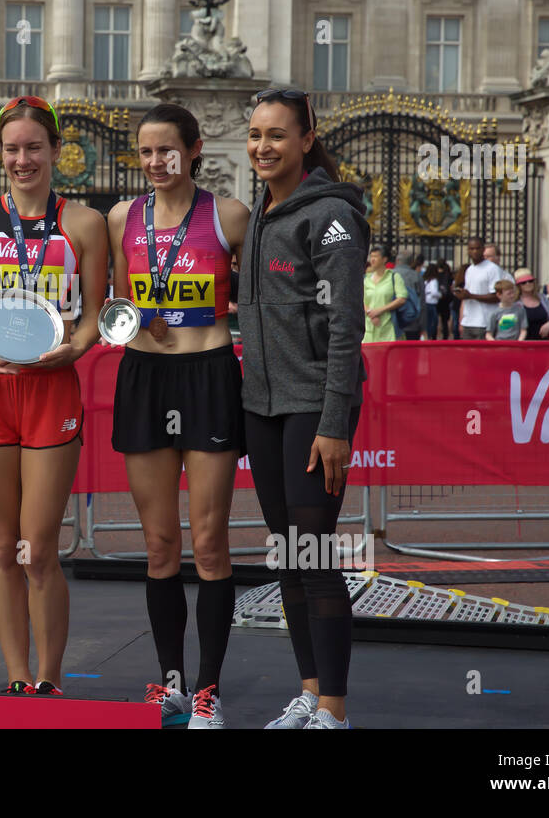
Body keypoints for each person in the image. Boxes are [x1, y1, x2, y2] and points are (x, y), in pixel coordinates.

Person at [0, 96, 108, 697]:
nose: (22, 159)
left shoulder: (84, 223)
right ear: (1, 152)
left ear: (55, 151)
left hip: (52, 389)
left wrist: (78, 348)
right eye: (12, 149)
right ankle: (15, 677)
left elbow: (93, 316)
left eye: (33, 148)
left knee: (37, 547)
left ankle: (50, 678)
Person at [107, 102, 250, 729]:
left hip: (208, 373)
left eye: (168, 150)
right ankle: (171, 684)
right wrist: (134, 317)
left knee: (210, 542)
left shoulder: (229, 215)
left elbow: (266, 294)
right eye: (146, 152)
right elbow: (116, 299)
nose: (156, 162)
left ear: (194, 150)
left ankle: (209, 690)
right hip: (144, 374)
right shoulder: (122, 217)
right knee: (160, 543)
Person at [239, 87, 369, 730]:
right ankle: (310, 693)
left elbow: (347, 327)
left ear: (306, 139)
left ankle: (336, 712)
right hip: (261, 407)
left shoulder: (333, 217)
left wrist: (334, 423)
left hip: (312, 407)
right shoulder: (262, 212)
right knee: (287, 554)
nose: (264, 147)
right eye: (256, 135)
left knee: (314, 557)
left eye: (277, 135)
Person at [454, 236, 503, 340]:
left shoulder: (492, 269)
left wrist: (471, 296)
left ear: (483, 250)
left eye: (478, 248)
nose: (475, 251)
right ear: (468, 250)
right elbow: (467, 295)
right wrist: (460, 294)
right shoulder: (469, 270)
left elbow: (497, 296)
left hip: (484, 322)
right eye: (472, 249)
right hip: (468, 321)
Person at [363, 246, 406, 342]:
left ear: (384, 259)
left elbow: (402, 298)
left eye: (376, 256)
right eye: (371, 256)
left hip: (388, 327)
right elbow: (359, 299)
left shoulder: (394, 277)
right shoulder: (366, 279)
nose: (372, 260)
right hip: (368, 329)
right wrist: (371, 313)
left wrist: (379, 311)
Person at [513, 267, 549, 339]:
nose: (528, 284)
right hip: (522, 342)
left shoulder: (542, 298)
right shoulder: (515, 302)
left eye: (530, 281)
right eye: (523, 282)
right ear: (518, 286)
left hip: (543, 342)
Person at [396, 252, 424, 340]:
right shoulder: (416, 276)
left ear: (397, 261)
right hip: (412, 322)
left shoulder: (389, 275)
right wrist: (423, 327)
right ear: (411, 262)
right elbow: (422, 302)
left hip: (394, 321)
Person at [422, 261, 442, 339]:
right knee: (432, 323)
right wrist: (440, 295)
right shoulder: (434, 281)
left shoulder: (425, 280)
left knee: (426, 323)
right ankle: (430, 337)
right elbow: (434, 292)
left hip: (426, 302)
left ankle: (426, 337)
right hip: (432, 303)